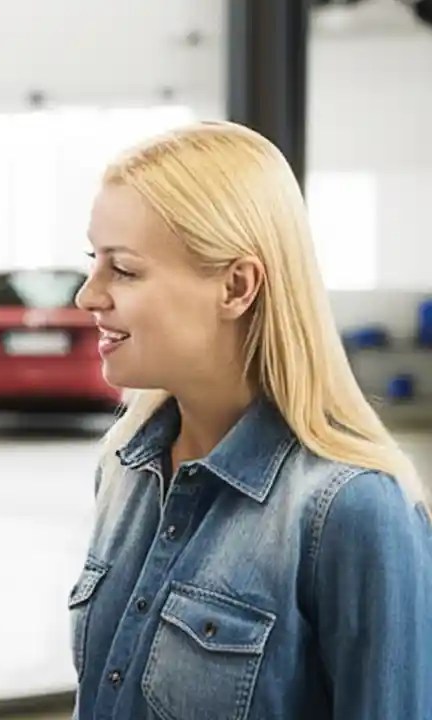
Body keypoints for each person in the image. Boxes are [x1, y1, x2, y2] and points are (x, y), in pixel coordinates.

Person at [68, 120, 432, 719]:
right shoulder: (125, 469)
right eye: (94, 261)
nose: (88, 295)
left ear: (237, 286)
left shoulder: (353, 511)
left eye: (124, 269)